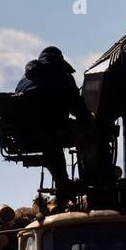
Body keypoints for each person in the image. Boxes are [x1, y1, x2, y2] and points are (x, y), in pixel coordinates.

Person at [12, 47, 95, 190]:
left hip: (25, 135)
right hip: (52, 131)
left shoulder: (25, 78)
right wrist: (90, 118)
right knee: (90, 132)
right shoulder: (61, 75)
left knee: (48, 134)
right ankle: (92, 178)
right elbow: (80, 111)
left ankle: (62, 181)